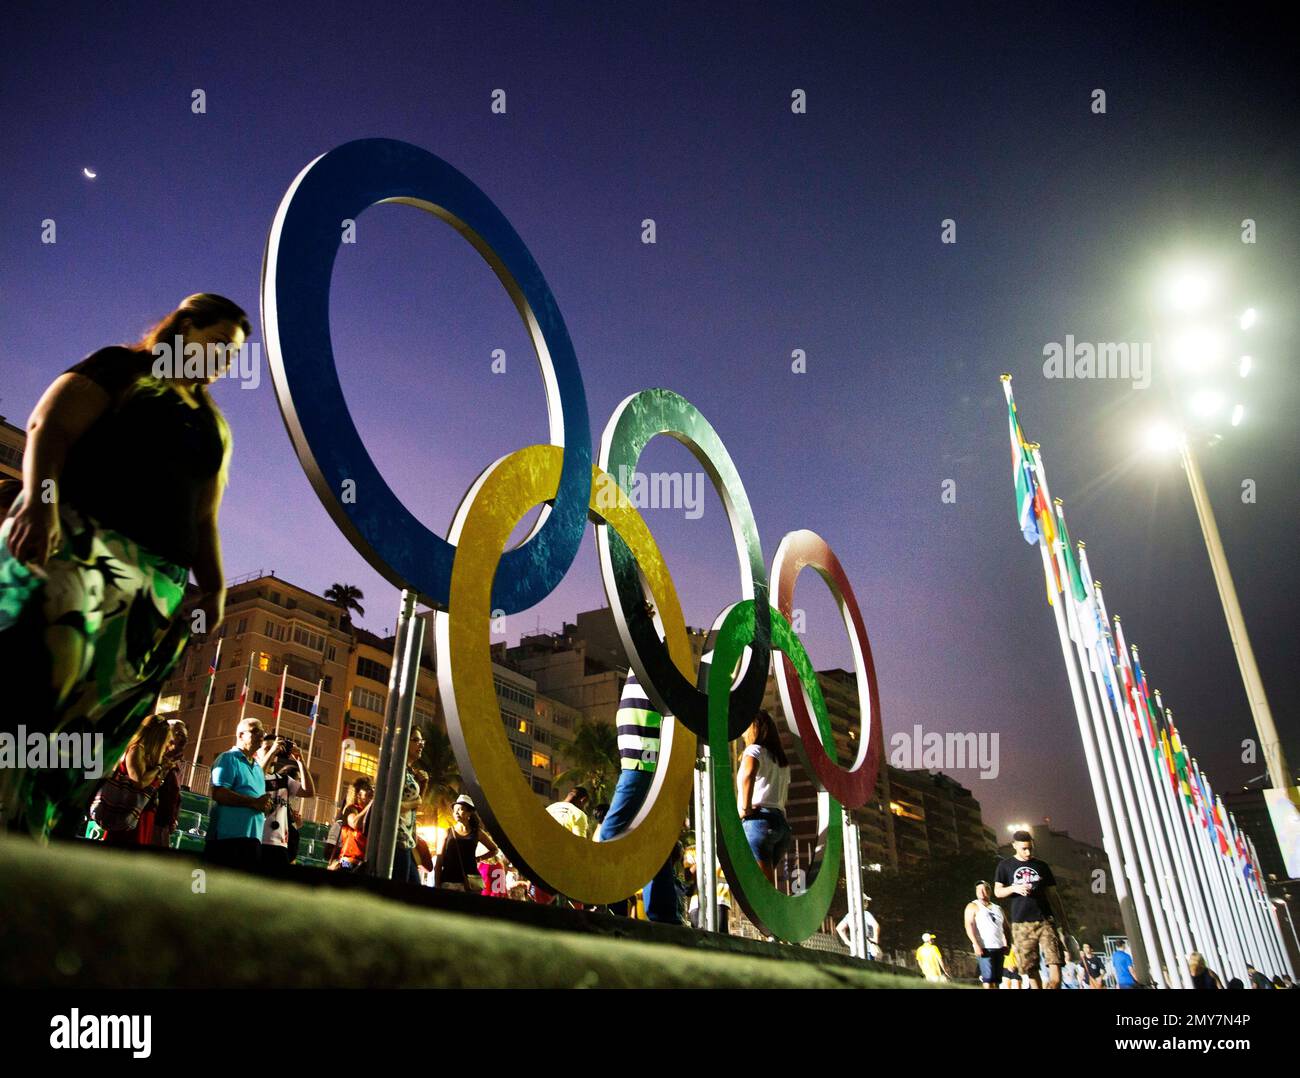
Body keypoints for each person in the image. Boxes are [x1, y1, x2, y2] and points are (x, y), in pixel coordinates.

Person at [0, 294, 250, 839]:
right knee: (38, 679)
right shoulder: (123, 368)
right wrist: (40, 506)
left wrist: (215, 588)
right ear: (185, 326)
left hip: (152, 591)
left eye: (232, 357)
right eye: (219, 346)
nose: (225, 363)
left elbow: (205, 517)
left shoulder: (213, 427)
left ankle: (29, 831)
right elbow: (50, 425)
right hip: (78, 549)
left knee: (97, 720)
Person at [594, 658, 677, 920]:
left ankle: (612, 905)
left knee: (610, 833)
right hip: (639, 762)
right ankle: (663, 914)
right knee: (652, 839)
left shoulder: (655, 657)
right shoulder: (641, 660)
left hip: (643, 762)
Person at [994, 830, 1073, 989]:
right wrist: (1014, 888)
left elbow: (1053, 894)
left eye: (1030, 848)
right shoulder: (1005, 866)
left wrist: (1063, 921)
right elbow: (997, 892)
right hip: (1021, 923)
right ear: (1014, 846)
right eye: (1024, 849)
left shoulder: (1041, 866)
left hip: (1045, 920)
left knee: (1055, 961)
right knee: (1030, 968)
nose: (1028, 852)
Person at [97, 715, 178, 847]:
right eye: (166, 740)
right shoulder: (136, 749)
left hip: (141, 813)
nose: (167, 746)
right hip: (129, 814)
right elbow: (138, 781)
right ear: (157, 737)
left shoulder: (147, 754)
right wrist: (159, 768)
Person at [205, 718, 274, 870]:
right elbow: (219, 793)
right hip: (228, 838)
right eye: (255, 730)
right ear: (241, 735)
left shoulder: (257, 767)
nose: (261, 733)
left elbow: (258, 802)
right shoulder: (228, 758)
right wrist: (254, 802)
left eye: (262, 730)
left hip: (253, 839)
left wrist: (264, 805)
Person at [737, 710, 792, 885]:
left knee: (759, 888)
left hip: (758, 821)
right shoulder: (781, 761)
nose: (743, 732)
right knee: (765, 886)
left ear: (754, 728)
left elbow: (748, 775)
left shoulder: (754, 750)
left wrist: (745, 809)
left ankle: (775, 913)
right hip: (780, 825)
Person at [260, 736, 313, 871]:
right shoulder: (253, 774)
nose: (273, 751)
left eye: (275, 748)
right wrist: (272, 752)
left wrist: (301, 761)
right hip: (258, 840)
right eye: (267, 748)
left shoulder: (284, 780)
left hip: (280, 845)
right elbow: (257, 779)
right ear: (257, 751)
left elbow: (309, 792)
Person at [433, 793, 498, 891]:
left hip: (471, 882)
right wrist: (437, 885)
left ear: (469, 813)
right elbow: (439, 861)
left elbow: (494, 850)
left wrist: (479, 858)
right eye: (455, 810)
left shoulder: (477, 833)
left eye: (460, 809)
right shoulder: (446, 832)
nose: (456, 813)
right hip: (449, 881)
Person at [390, 728, 426, 884]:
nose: (421, 745)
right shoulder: (397, 769)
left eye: (422, 741)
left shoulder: (409, 772)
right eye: (416, 740)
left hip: (407, 840)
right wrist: (416, 802)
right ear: (404, 741)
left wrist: (423, 785)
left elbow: (414, 807)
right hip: (397, 839)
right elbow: (391, 806)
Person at [149, 719, 189, 848]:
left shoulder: (175, 766)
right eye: (179, 734)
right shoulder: (153, 758)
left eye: (185, 736)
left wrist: (173, 819)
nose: (183, 740)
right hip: (150, 823)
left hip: (163, 827)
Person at [963, 881, 1008, 989]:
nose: (981, 892)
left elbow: (1006, 927)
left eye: (984, 889)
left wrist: (1007, 944)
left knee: (997, 981)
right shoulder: (973, 906)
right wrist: (976, 944)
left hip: (999, 947)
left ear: (989, 891)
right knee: (987, 979)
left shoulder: (998, 908)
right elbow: (968, 926)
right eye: (978, 889)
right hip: (984, 947)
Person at [333, 778, 373, 871]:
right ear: (358, 794)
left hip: (363, 863)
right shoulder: (351, 809)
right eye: (366, 788)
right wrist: (371, 804)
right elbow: (355, 823)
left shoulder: (371, 813)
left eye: (371, 788)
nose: (370, 790)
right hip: (347, 862)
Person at [836, 894, 879, 958]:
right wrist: (874, 942)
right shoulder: (866, 914)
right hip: (867, 949)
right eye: (866, 901)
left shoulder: (849, 915)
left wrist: (848, 942)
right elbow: (875, 926)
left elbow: (839, 928)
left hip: (855, 949)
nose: (867, 904)